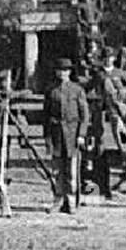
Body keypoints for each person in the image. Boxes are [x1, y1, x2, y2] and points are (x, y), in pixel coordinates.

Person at [44, 58, 89, 214]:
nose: (62, 73)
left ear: (69, 72)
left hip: (72, 133)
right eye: (59, 70)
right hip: (56, 133)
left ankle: (70, 202)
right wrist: (47, 138)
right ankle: (57, 200)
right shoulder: (51, 91)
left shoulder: (77, 90)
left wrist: (81, 134)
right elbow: (46, 115)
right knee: (57, 170)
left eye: (65, 70)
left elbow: (85, 115)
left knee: (71, 170)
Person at [90, 52, 126, 199]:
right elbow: (89, 89)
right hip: (101, 116)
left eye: (109, 57)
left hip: (116, 115)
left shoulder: (119, 73)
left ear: (114, 59)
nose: (107, 60)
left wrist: (123, 92)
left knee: (123, 146)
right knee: (100, 151)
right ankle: (101, 187)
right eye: (104, 57)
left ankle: (123, 176)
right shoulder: (97, 74)